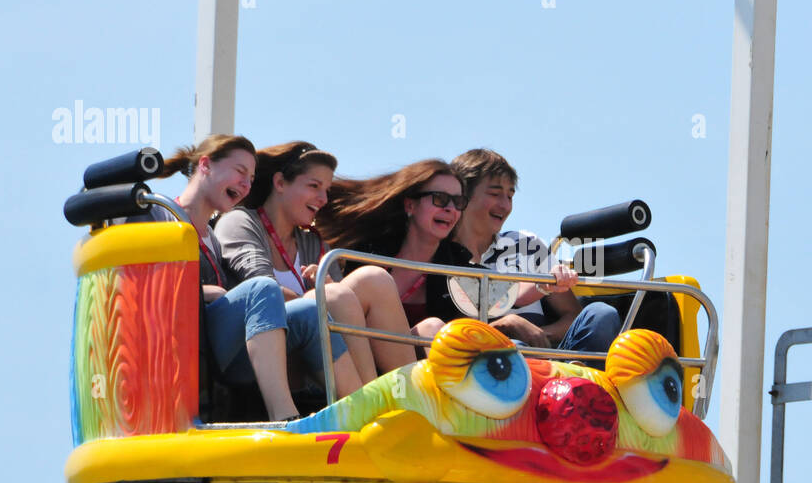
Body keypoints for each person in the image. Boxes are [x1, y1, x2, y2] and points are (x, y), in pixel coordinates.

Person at [132, 134, 355, 419]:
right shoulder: (156, 214)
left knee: (310, 311)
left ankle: (359, 412)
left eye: (250, 178)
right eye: (240, 172)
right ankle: (285, 416)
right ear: (206, 165)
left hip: (220, 352)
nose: (246, 184)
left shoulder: (212, 237)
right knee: (261, 287)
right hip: (174, 347)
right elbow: (136, 288)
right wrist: (201, 293)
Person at [215, 141, 416, 382]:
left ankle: (409, 394)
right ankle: (371, 400)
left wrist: (328, 286)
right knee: (332, 295)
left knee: (375, 278)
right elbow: (263, 294)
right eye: (314, 186)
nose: (323, 198)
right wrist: (322, 295)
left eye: (327, 190)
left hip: (317, 348)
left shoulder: (313, 242)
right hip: (262, 347)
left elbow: (343, 303)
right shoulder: (240, 222)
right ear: (279, 183)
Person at [450, 149, 621, 357]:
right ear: (463, 195)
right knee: (514, 349)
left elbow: (573, 316)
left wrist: (538, 336)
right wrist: (508, 327)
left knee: (601, 314)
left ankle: (578, 385)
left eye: (510, 196)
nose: (505, 205)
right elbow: (452, 336)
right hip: (483, 365)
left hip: (545, 358)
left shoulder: (526, 244)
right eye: (495, 194)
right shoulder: (442, 256)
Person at [316, 159, 472, 344]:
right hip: (363, 357)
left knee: (433, 328)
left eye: (458, 202)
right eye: (440, 198)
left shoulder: (460, 268)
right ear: (410, 206)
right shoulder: (367, 251)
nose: (450, 208)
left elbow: (496, 300)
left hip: (420, 367)